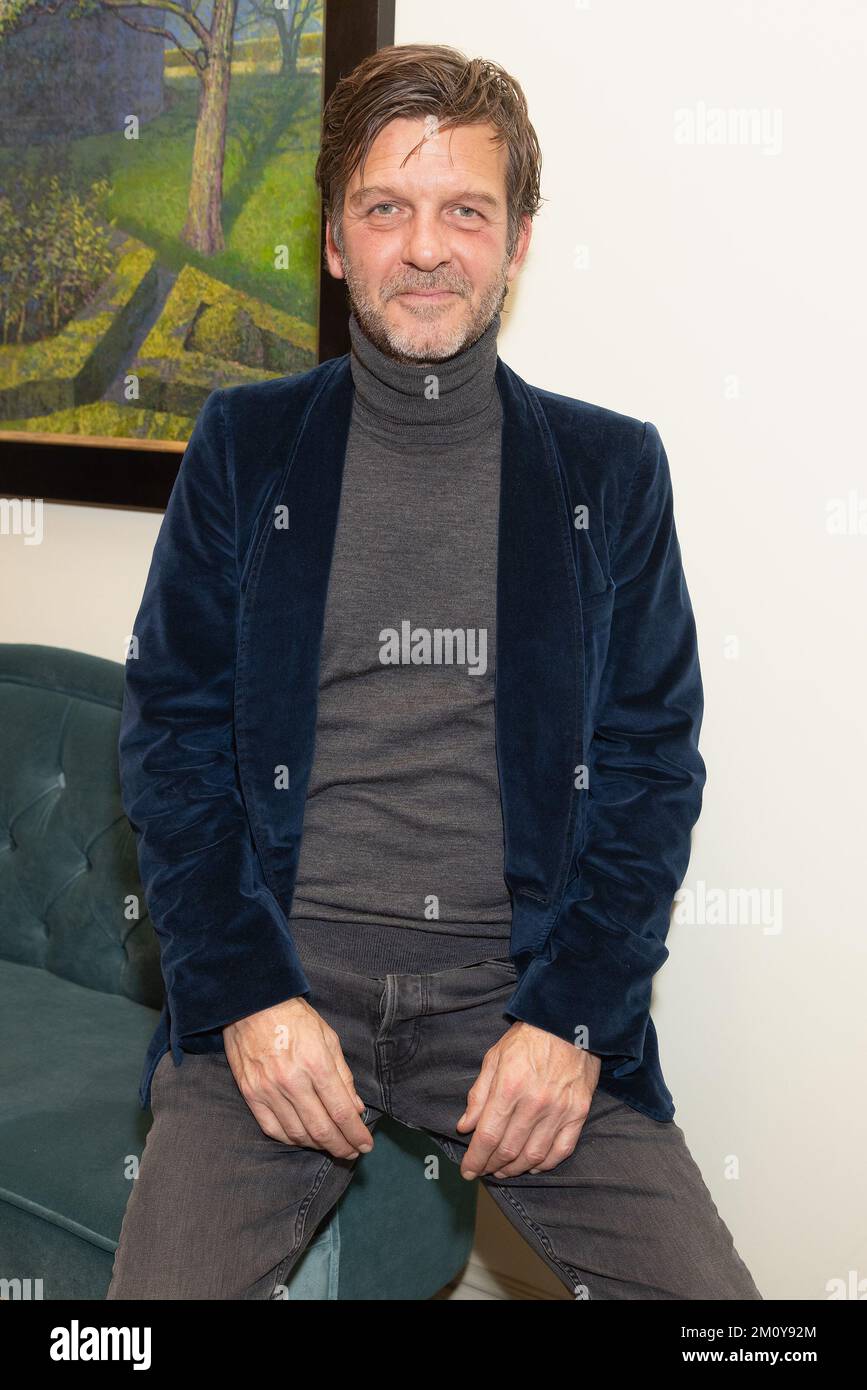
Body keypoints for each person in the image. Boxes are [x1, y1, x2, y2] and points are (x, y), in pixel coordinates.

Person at [108, 43, 762, 1300]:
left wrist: (571, 1018)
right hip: (284, 977)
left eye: (466, 210)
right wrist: (244, 995)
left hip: (517, 993)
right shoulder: (243, 448)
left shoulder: (611, 472)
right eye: (385, 208)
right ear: (335, 240)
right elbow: (171, 741)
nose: (424, 249)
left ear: (517, 243)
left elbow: (648, 771)